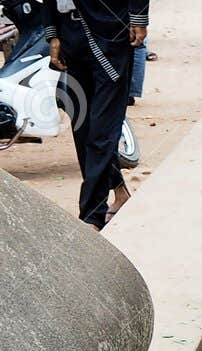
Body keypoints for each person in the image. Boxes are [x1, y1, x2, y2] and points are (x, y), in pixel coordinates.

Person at [45, 0, 145, 228]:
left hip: (109, 33)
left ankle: (92, 214)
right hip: (69, 35)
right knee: (83, 128)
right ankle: (119, 191)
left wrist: (139, 17)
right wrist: (52, 33)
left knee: (102, 129)